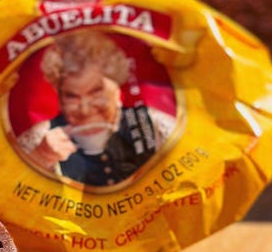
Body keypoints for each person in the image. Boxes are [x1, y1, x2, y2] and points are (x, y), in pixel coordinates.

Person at [16, 29, 175, 186]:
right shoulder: (39, 138)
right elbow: (5, 197)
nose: (85, 110)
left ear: (117, 86)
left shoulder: (155, 126)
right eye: (72, 96)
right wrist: (40, 158)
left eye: (96, 92)